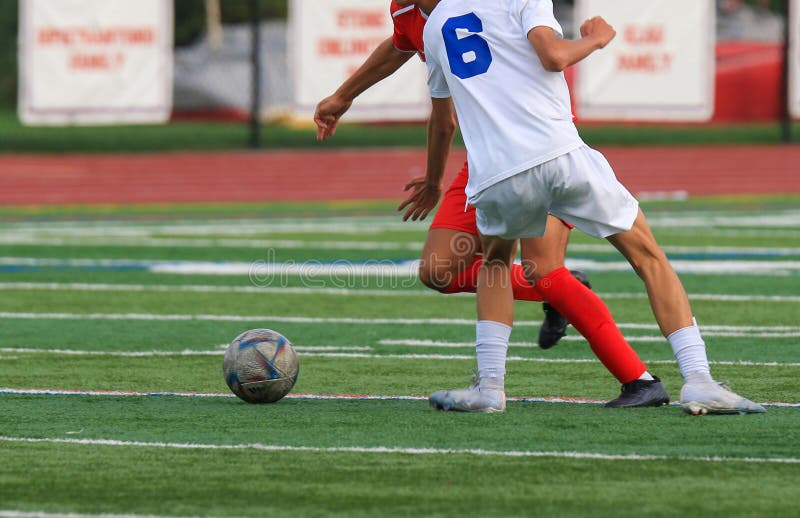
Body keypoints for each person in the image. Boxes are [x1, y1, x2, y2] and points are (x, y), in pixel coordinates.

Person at [315, 1, 671, 410]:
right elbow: (401, 50)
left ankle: (639, 379)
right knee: (439, 270)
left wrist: (590, 40)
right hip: (488, 154)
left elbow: (546, 50)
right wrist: (344, 97)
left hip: (544, 142)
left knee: (544, 268)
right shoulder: (408, 11)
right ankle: (546, 300)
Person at [418, 0, 764, 415]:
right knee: (648, 257)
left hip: (495, 171)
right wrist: (597, 38)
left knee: (496, 263)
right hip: (559, 154)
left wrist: (433, 180)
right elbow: (553, 56)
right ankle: (699, 379)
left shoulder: (434, 24)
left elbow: (441, 123)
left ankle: (490, 387)